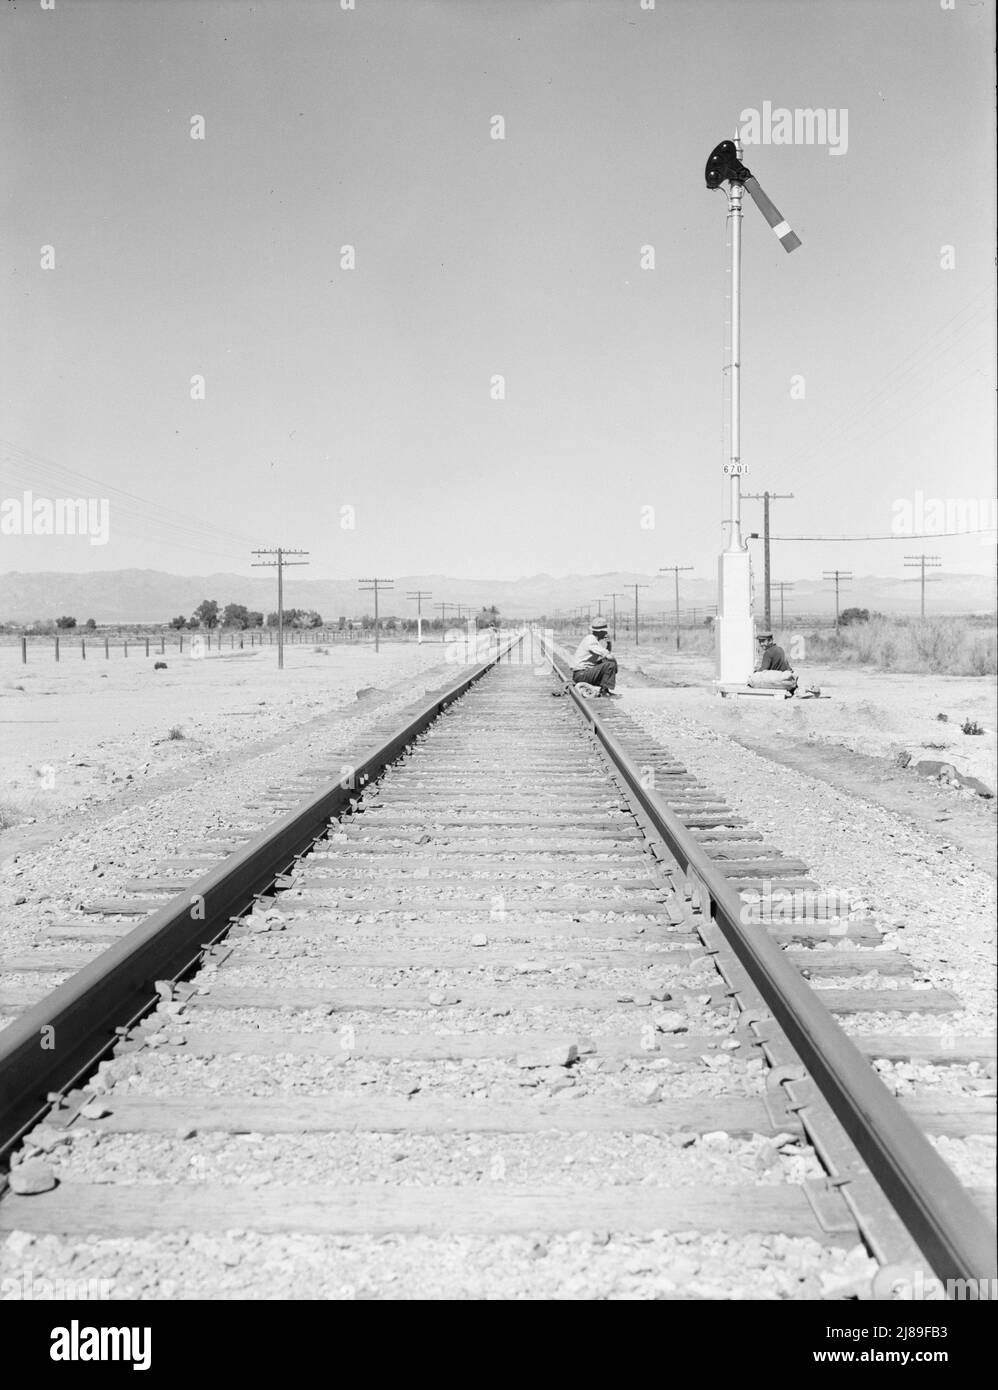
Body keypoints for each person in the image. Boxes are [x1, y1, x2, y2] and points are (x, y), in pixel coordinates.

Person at [571, 617, 621, 698]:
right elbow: (609, 657)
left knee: (606, 662)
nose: (606, 633)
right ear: (600, 632)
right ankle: (604, 692)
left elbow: (605, 655)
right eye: (605, 631)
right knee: (610, 665)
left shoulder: (592, 639)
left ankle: (605, 690)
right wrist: (615, 665)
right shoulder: (591, 640)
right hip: (581, 674)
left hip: (582, 673)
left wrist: (609, 644)